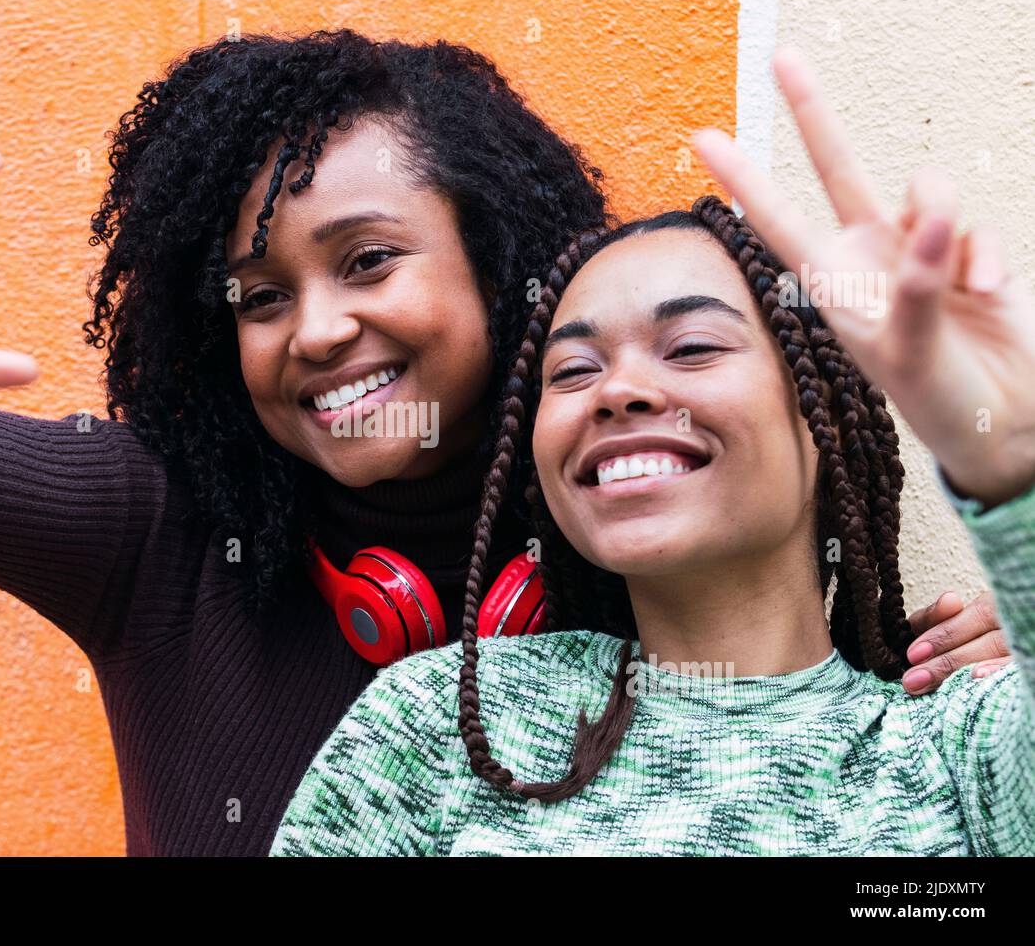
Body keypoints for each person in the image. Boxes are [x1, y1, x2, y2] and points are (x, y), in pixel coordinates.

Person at [0, 34, 1006, 857]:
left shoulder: (647, 508)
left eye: (367, 260)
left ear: (503, 267)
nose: (318, 328)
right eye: (260, 294)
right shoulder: (160, 519)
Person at [270, 48, 1035, 856]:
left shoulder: (961, 744)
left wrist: (1010, 466)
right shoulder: (446, 725)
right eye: (572, 370)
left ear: (826, 426)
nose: (616, 391)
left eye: (693, 347)